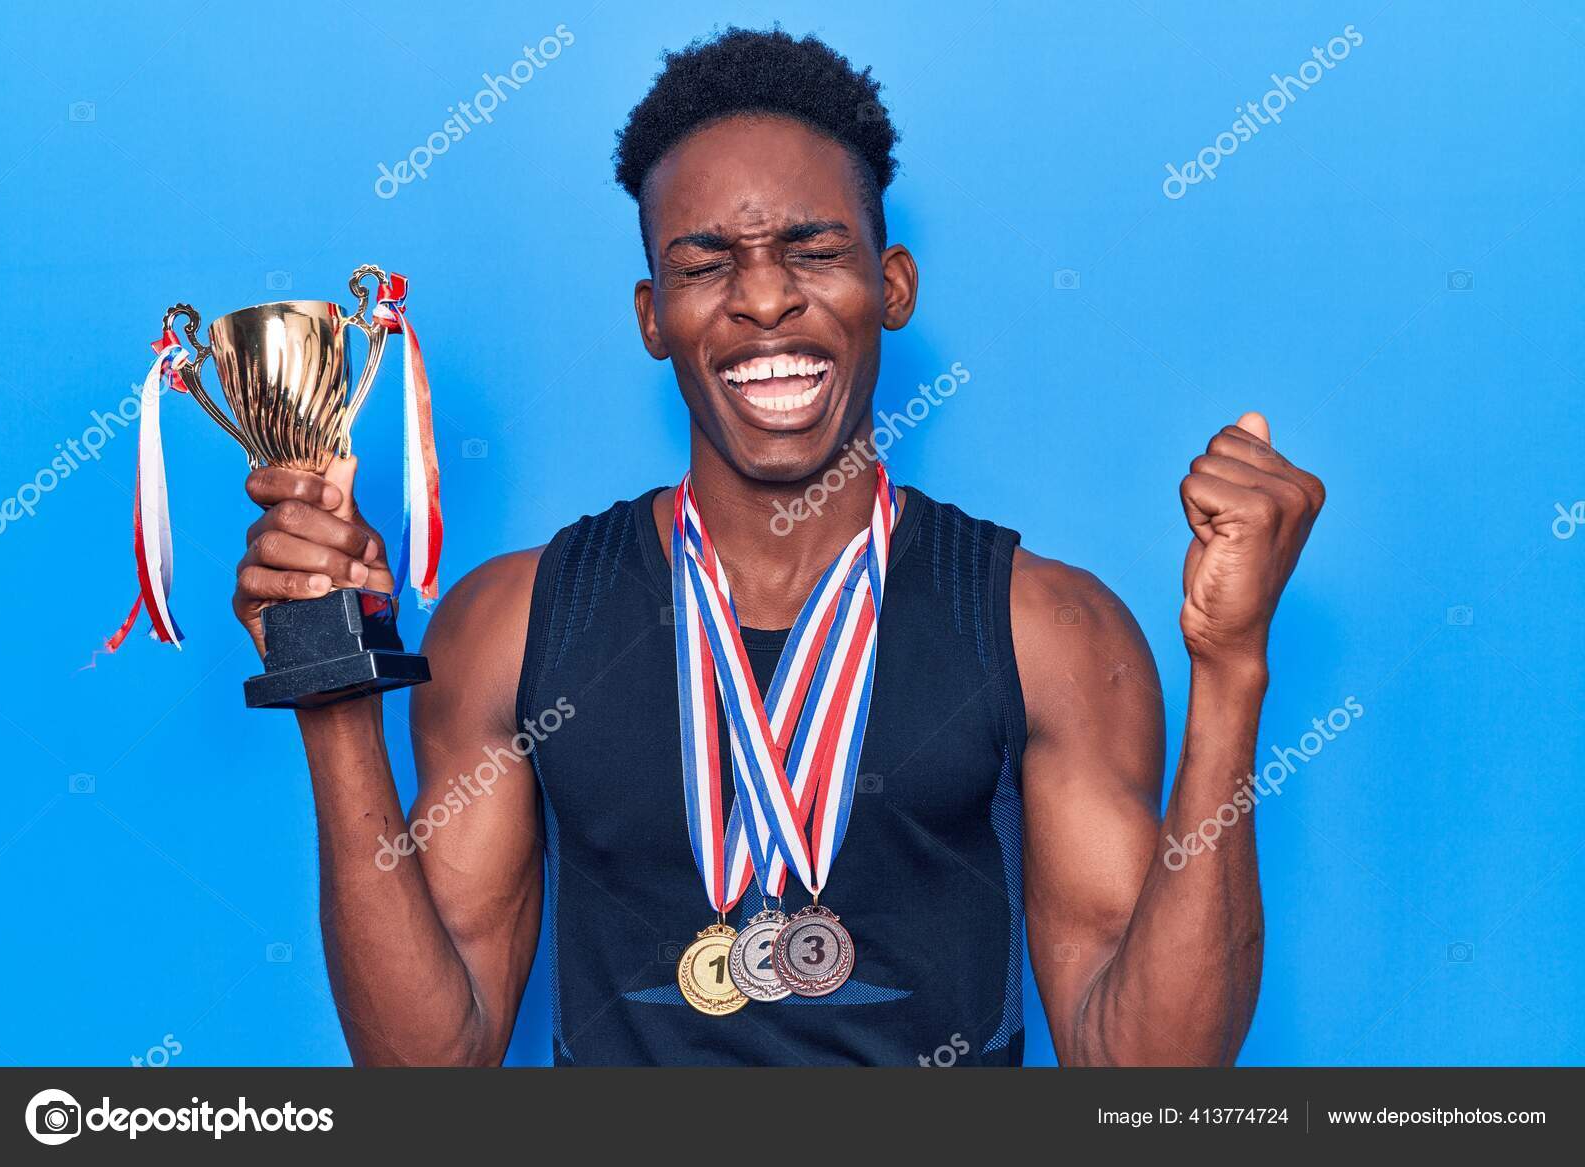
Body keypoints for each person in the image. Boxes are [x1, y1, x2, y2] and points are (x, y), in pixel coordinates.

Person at [230, 28, 1323, 1065]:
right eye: (707, 264)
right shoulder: (514, 621)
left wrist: (1231, 668)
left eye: (812, 248)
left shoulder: (1045, 626)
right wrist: (331, 695)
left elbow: (1146, 1068)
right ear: (652, 316)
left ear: (889, 287)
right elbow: (428, 1067)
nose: (763, 298)